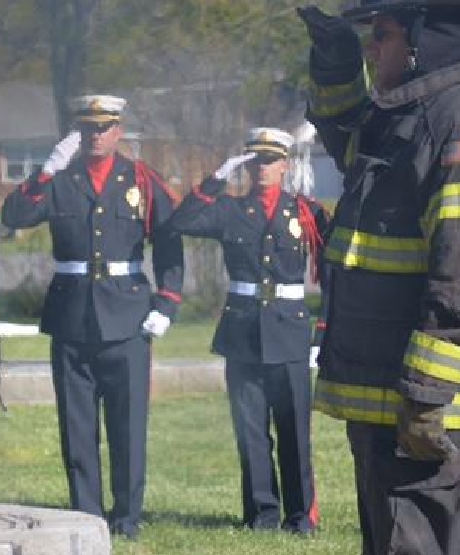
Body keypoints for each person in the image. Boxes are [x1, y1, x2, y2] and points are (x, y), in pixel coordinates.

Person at [299, 1, 460, 553]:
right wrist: (335, 61)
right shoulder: (406, 120)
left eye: (380, 36)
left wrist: (427, 392)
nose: (372, 47)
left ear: (421, 43)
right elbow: (346, 137)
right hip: (393, 397)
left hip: (430, 410)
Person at [1, 95, 184, 541]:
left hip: (128, 315)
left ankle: (126, 518)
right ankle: (86, 517)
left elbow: (169, 238)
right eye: (88, 127)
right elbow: (15, 215)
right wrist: (44, 170)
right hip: (71, 316)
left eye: (104, 127)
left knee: (128, 426)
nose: (96, 134)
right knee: (77, 427)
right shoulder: (60, 179)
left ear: (119, 131)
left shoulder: (140, 178)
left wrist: (168, 301)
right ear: (77, 132)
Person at [165, 127, 328, 534]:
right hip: (242, 331)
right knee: (251, 430)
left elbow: (331, 272)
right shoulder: (230, 209)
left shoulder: (307, 211)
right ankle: (261, 515)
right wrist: (216, 178)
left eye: (271, 160)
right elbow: (180, 221)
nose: (262, 168)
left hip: (289, 331)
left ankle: (300, 515)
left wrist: (323, 329)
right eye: (256, 160)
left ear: (285, 165)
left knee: (294, 431)